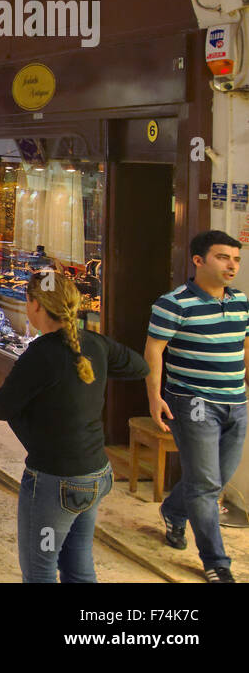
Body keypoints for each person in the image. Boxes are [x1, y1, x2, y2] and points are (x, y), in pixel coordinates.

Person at [0, 270, 149, 582]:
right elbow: (138, 365)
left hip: (57, 481)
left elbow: (2, 407)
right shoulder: (95, 344)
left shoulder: (41, 354)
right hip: (96, 475)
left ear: (36, 305)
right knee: (78, 565)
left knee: (40, 570)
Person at [146, 230, 249, 583]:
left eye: (236, 258)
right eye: (223, 257)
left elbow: (244, 345)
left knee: (214, 480)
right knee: (206, 486)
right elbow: (154, 351)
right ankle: (217, 562)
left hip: (236, 403)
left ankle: (174, 511)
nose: (232, 265)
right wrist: (154, 397)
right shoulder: (173, 303)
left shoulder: (241, 301)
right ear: (198, 260)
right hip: (194, 403)